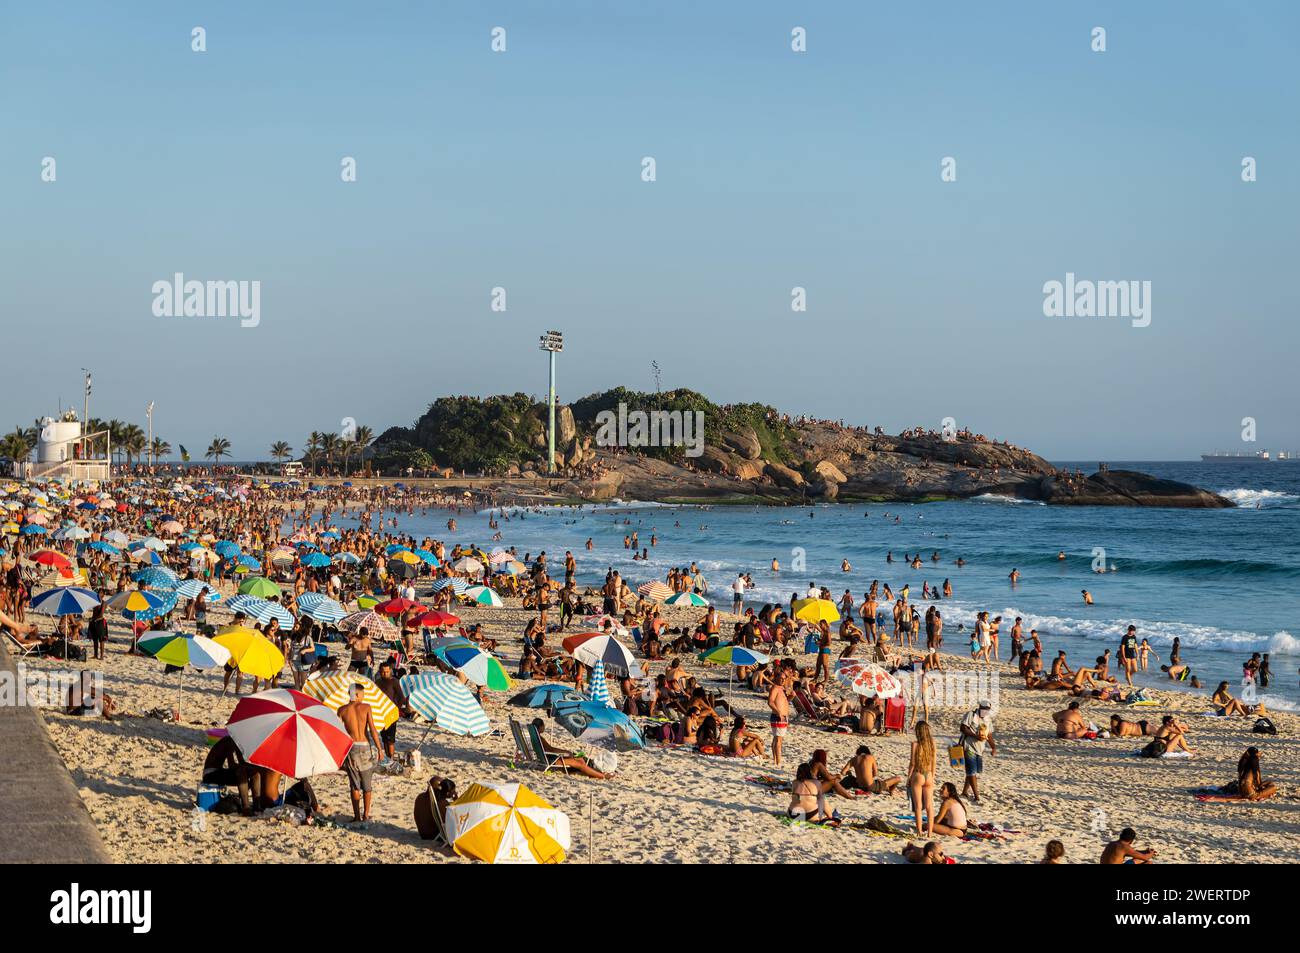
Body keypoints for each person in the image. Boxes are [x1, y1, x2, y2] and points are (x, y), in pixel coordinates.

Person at [338, 683, 381, 825]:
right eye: (362, 694)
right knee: (367, 785)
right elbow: (373, 730)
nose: (363, 697)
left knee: (354, 784)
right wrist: (379, 749)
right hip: (364, 747)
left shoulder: (342, 710)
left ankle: (356, 816)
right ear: (356, 695)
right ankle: (366, 815)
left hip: (351, 748)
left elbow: (339, 734)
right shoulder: (366, 707)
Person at [530, 718, 609, 779]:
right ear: (540, 727)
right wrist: (566, 752)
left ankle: (591, 773)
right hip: (552, 761)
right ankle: (603, 776)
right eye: (543, 725)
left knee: (580, 759)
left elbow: (549, 750)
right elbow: (551, 750)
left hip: (548, 758)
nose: (544, 727)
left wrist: (565, 752)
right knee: (580, 764)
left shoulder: (535, 738)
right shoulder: (540, 739)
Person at [202, 735, 258, 816]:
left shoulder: (237, 740)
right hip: (210, 774)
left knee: (255, 772)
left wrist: (253, 768)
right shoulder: (229, 741)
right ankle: (246, 807)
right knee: (241, 773)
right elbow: (231, 765)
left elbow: (242, 762)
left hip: (218, 771)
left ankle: (257, 805)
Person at [1198, 747, 1278, 802]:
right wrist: (1261, 788)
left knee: (1268, 782)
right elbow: (1259, 783)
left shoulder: (1243, 763)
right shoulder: (1254, 767)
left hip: (1241, 791)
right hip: (1251, 794)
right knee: (1273, 787)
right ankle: (1258, 794)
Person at [959, 700, 995, 803]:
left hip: (980, 749)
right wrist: (975, 736)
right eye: (983, 709)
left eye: (987, 710)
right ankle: (977, 797)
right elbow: (963, 728)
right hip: (969, 747)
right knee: (972, 771)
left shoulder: (988, 719)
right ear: (980, 708)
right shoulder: (971, 715)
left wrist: (993, 747)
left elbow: (989, 735)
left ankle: (965, 792)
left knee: (973, 771)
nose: (985, 712)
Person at [907, 721, 937, 837]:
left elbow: (912, 763)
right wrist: (933, 777)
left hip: (918, 774)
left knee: (918, 806)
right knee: (930, 806)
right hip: (929, 775)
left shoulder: (915, 744)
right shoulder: (932, 743)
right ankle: (929, 833)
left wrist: (908, 778)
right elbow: (934, 762)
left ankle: (919, 831)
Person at [767, 667, 791, 767]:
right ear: (776, 678)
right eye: (781, 678)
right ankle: (778, 762)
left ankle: (775, 760)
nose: (783, 680)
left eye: (784, 678)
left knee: (778, 739)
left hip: (783, 717)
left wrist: (791, 696)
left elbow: (784, 702)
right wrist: (778, 713)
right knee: (778, 740)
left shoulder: (781, 689)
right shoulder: (775, 688)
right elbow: (770, 702)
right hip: (778, 716)